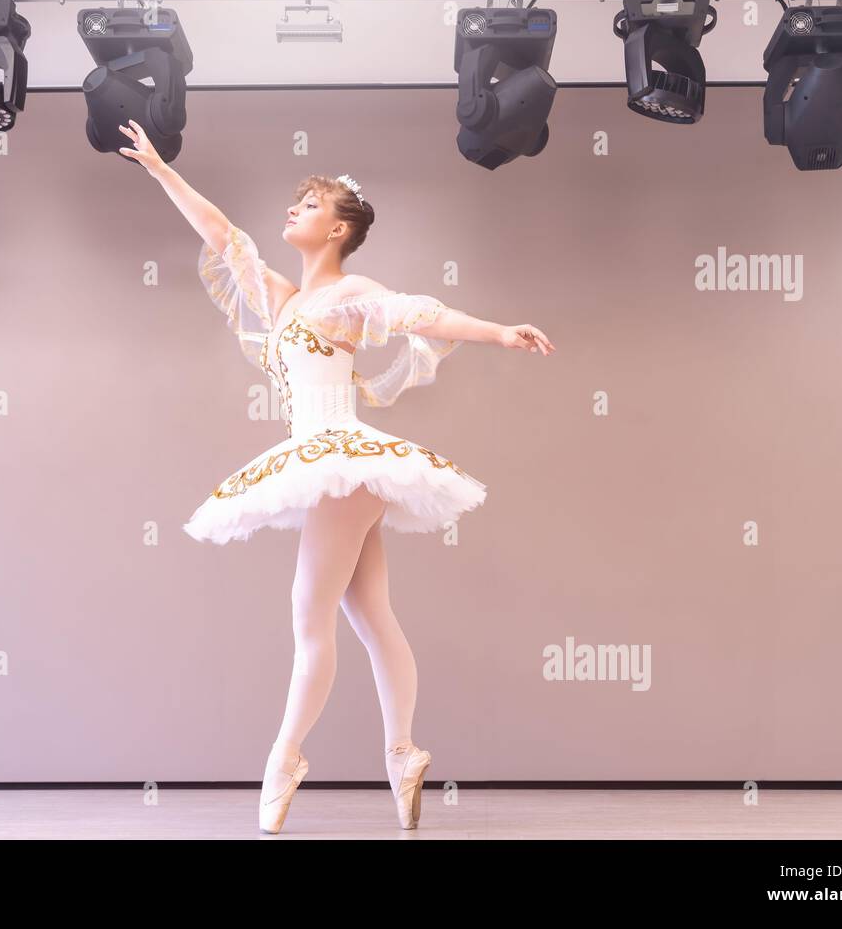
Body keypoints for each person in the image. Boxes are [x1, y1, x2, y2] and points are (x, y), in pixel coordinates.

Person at [118, 119, 555, 833]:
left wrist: (500, 331)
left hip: (338, 459)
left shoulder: (351, 294)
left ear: (340, 230)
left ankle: (285, 757)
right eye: (297, 200)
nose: (295, 209)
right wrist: (162, 171)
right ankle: (403, 751)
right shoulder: (286, 300)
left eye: (312, 204)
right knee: (369, 613)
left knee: (309, 615)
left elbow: (422, 311)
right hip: (328, 460)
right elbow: (225, 235)